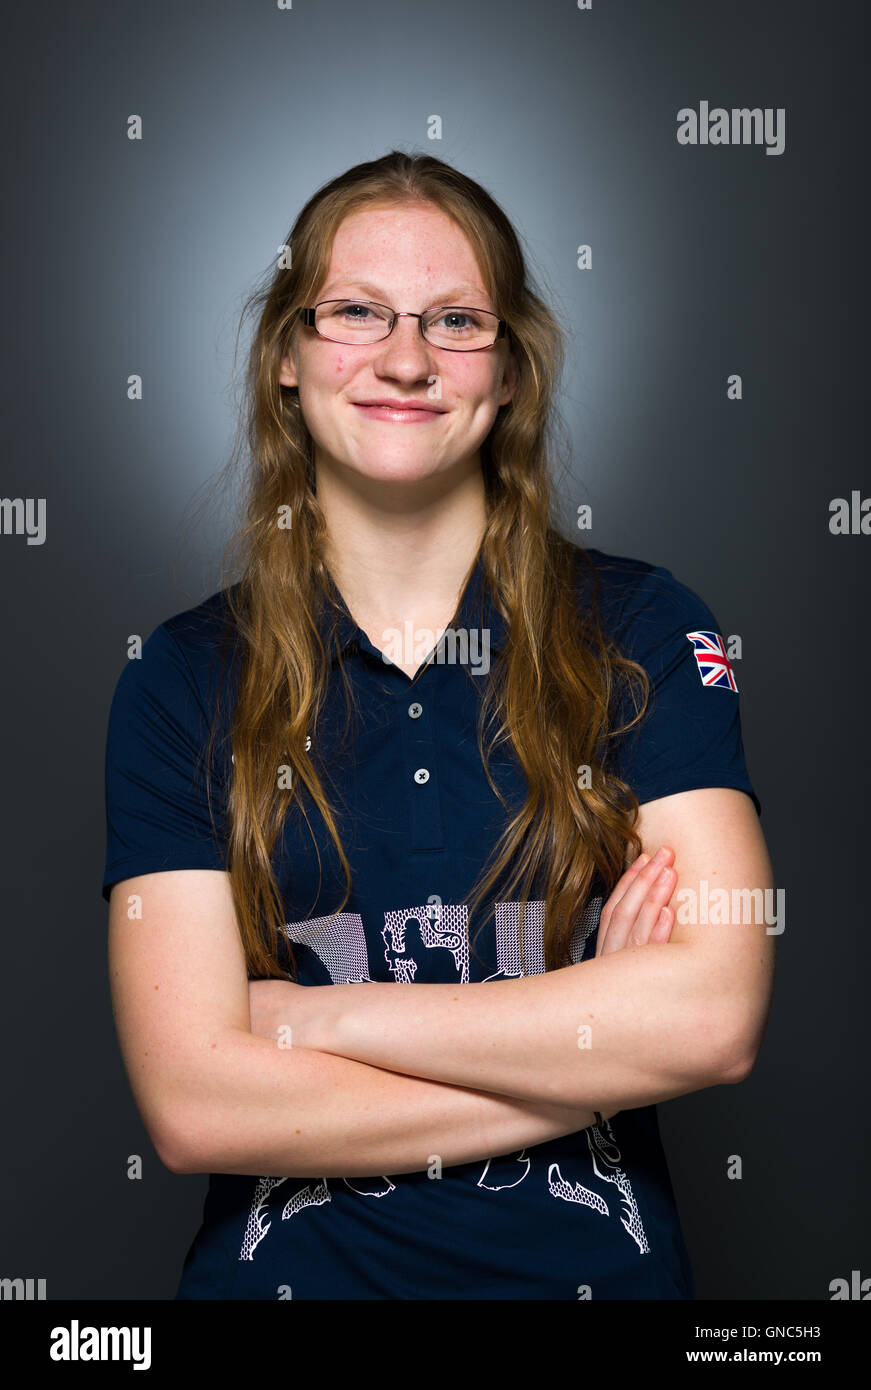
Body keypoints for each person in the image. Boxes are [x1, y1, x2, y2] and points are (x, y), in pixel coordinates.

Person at [103, 150, 776, 1301]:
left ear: (508, 368)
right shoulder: (181, 674)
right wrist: (589, 1055)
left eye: (456, 320)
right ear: (285, 354)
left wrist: (314, 1024)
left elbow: (712, 1017)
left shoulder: (645, 630)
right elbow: (192, 1102)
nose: (405, 358)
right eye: (355, 311)